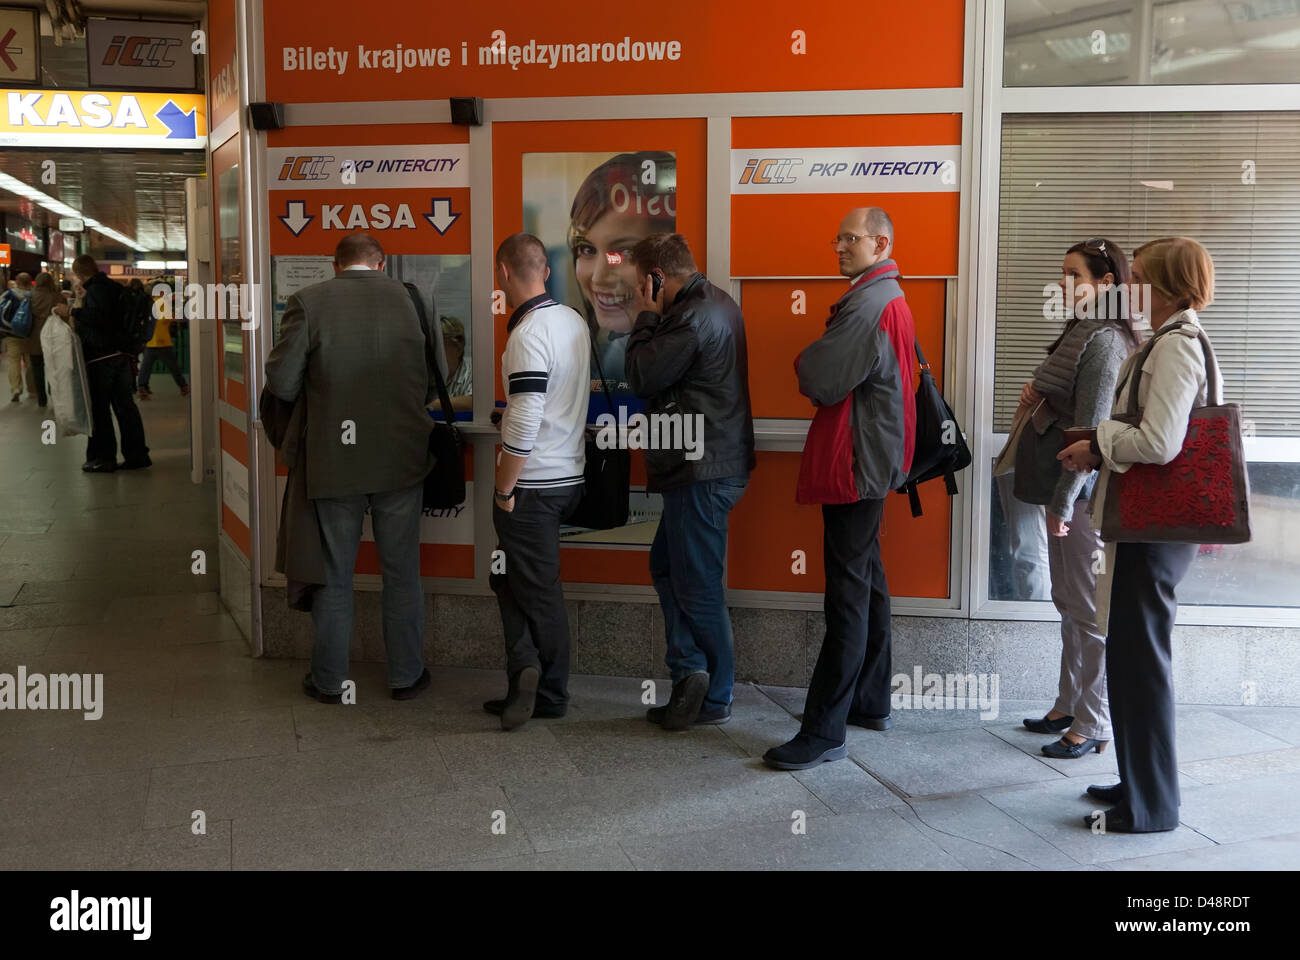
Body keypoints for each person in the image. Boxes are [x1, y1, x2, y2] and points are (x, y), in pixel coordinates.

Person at [1060, 236, 1217, 833]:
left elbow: (1159, 442)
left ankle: (1151, 806)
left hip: (1156, 534)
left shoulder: (1177, 346)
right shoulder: (1164, 342)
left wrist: (1100, 444)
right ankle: (1137, 782)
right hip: (1148, 527)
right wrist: (1099, 442)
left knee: (1142, 664)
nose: (1133, 289)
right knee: (1130, 660)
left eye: (1143, 277)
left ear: (1171, 286)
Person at [764, 207, 916, 771]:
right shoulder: (886, 296)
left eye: (850, 238)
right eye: (838, 238)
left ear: (880, 243)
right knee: (868, 578)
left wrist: (806, 357)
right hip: (873, 461)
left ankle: (824, 730)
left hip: (857, 465)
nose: (838, 246)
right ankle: (871, 701)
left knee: (847, 595)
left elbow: (819, 377)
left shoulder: (868, 304)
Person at [264, 232, 437, 704]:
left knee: (334, 575)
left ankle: (329, 680)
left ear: (334, 264)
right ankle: (406, 675)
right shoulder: (416, 300)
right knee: (402, 573)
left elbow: (280, 381)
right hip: (402, 457)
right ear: (382, 263)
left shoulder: (308, 301)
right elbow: (434, 374)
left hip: (333, 460)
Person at [621, 233, 755, 729]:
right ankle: (690, 674)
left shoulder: (688, 318)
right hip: (705, 466)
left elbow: (639, 374)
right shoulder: (714, 302)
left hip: (702, 472)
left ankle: (713, 694)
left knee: (696, 584)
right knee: (668, 568)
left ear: (658, 278)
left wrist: (644, 316)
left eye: (642, 284)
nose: (638, 293)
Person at [1015, 239, 1140, 759]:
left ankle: (1093, 723)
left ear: (1106, 283)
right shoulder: (1082, 330)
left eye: (1073, 275)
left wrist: (1064, 504)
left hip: (1083, 497)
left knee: (1088, 610)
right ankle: (1067, 703)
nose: (1062, 284)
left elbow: (1090, 433)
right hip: (1063, 491)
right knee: (1069, 602)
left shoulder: (1106, 341)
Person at [484, 233, 590, 730]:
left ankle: (547, 689)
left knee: (537, 587)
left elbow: (527, 416)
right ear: (544, 272)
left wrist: (505, 487)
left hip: (532, 485)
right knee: (509, 577)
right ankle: (523, 673)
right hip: (568, 475)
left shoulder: (527, 333)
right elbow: (552, 399)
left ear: (503, 273)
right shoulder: (571, 320)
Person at [567, 151, 676, 389]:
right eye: (587, 250)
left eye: (626, 252)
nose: (598, 277)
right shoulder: (615, 351)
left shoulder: (680, 346)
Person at [59, 256, 150, 472]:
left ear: (79, 273)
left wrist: (71, 311)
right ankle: (137, 455)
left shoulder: (97, 289)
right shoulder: (112, 287)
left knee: (100, 409)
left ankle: (104, 457)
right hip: (120, 355)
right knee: (125, 407)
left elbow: (100, 318)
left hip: (102, 357)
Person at [137, 283, 190, 400]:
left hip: (151, 342)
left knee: (145, 368)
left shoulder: (150, 304)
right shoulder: (161, 303)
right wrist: (182, 318)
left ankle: (142, 388)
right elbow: (167, 317)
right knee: (174, 367)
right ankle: (184, 387)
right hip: (163, 342)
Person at [25, 272, 60, 408]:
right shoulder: (56, 296)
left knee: (37, 369)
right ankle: (53, 393)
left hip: (35, 337)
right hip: (53, 337)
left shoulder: (30, 296)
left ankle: (41, 399)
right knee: (53, 367)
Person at [2, 272, 36, 402]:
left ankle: (16, 389)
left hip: (11, 334)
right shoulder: (32, 296)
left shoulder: (9, 294)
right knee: (30, 363)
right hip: (28, 335)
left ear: (17, 280)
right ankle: (32, 390)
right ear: (30, 282)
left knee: (14, 362)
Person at [434, 315, 472, 413]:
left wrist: (430, 404)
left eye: (440, 347)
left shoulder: (472, 373)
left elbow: (473, 403)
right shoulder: (426, 373)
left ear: (458, 348)